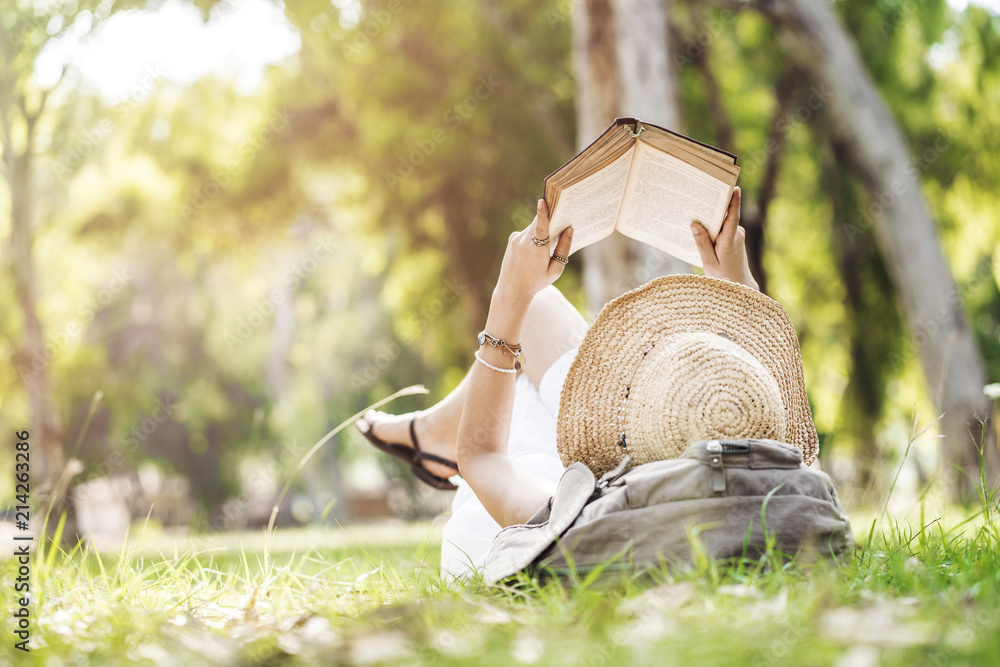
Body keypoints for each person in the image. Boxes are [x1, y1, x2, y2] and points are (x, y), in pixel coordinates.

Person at [357, 187, 817, 579]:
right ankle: (435, 429)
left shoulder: (585, 518)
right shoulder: (795, 502)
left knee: (534, 320)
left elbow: (480, 457)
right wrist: (736, 283)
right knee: (532, 369)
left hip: (507, 514)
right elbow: (749, 417)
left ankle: (435, 431)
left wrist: (510, 293)